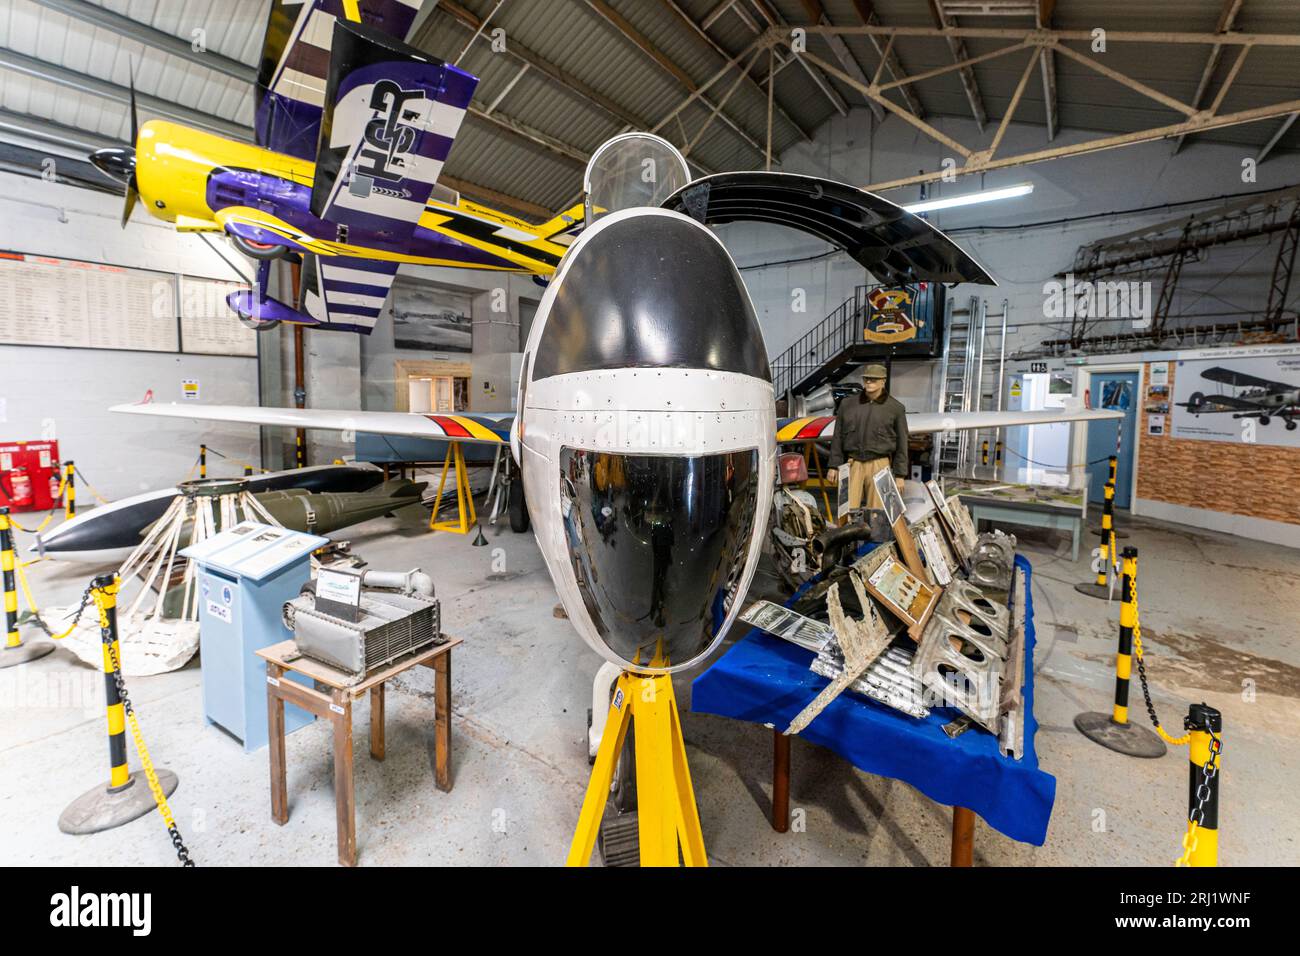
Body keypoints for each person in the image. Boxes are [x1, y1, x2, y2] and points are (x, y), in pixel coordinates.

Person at [826, 364, 910, 511]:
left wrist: (900, 475)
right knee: (846, 510)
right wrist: (834, 465)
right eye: (866, 379)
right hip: (853, 464)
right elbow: (837, 436)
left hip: (880, 464)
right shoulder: (847, 405)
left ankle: (876, 535)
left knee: (878, 512)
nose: (869, 382)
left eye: (874, 379)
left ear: (883, 381)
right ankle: (847, 534)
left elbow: (902, 443)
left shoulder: (895, 408)